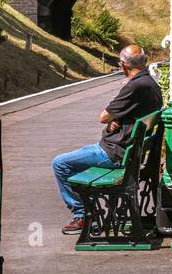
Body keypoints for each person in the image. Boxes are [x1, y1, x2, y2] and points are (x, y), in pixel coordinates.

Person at [52, 44, 163, 234]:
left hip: (113, 153)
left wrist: (114, 119)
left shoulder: (134, 86)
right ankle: (90, 209)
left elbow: (103, 117)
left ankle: (83, 214)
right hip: (127, 151)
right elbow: (126, 115)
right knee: (78, 156)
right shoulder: (151, 84)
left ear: (123, 65)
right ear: (144, 62)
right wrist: (118, 119)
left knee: (60, 163)